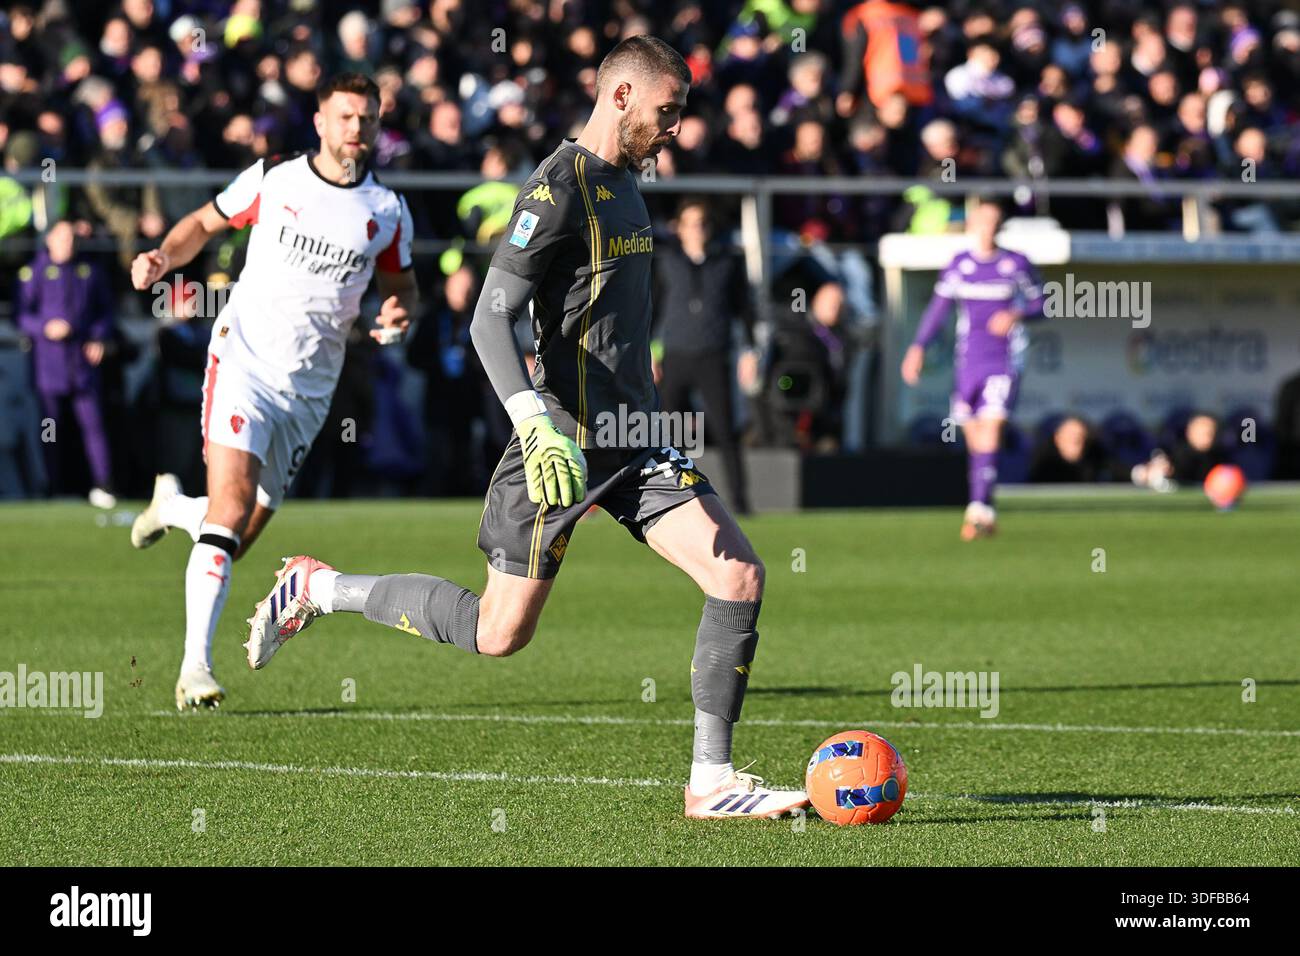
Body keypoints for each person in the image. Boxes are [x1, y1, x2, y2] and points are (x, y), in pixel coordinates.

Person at [244, 36, 808, 822]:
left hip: (634, 444)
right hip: (563, 446)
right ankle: (317, 587)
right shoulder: (558, 187)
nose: (677, 127)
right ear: (619, 98)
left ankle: (711, 781)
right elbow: (487, 319)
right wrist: (533, 420)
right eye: (667, 111)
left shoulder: (629, 182)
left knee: (739, 575)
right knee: (498, 632)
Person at [126, 73, 418, 711]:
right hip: (245, 363)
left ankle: (174, 507)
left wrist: (397, 314)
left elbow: (402, 284)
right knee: (228, 511)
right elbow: (204, 222)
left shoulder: (387, 211)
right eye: (345, 117)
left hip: (311, 391)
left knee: (237, 531)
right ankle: (194, 670)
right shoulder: (274, 180)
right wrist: (163, 258)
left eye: (367, 119)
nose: (356, 130)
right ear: (319, 121)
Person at [900, 201, 1044, 539]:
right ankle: (983, 509)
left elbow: (1044, 302)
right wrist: (918, 347)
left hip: (1004, 359)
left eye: (994, 221)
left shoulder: (1016, 263)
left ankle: (979, 509)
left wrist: (1016, 315)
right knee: (975, 435)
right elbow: (937, 310)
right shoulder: (959, 264)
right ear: (971, 225)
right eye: (982, 221)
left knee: (992, 429)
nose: (988, 228)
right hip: (968, 360)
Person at [653, 197, 755, 514]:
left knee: (726, 431)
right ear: (679, 228)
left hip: (714, 355)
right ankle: (676, 501)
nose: (697, 230)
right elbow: (652, 310)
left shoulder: (728, 262)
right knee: (672, 432)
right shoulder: (667, 262)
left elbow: (746, 310)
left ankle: (739, 502)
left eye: (702, 223)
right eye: (691, 224)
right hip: (676, 355)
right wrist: (649, 352)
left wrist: (750, 351)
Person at [16, 220, 117, 508]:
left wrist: (98, 337)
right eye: (62, 239)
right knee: (50, 427)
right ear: (49, 240)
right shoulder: (35, 271)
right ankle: (52, 485)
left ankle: (103, 484)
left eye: (71, 239)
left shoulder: (89, 271)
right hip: (49, 366)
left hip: (81, 365)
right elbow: (21, 315)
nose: (67, 245)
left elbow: (105, 312)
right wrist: (44, 327)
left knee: (93, 425)